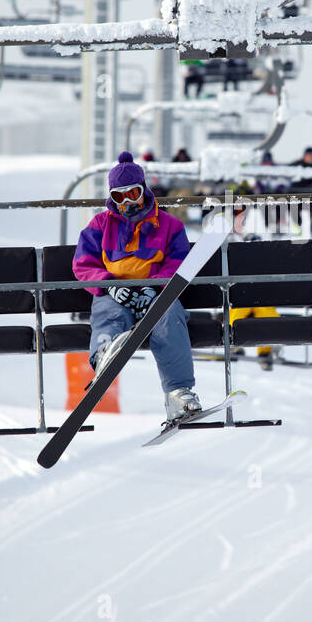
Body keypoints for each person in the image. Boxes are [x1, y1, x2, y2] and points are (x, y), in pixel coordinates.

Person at [71, 151, 202, 422]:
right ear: (112, 197)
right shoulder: (100, 225)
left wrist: (155, 288)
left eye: (133, 193)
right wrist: (108, 286)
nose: (127, 202)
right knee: (108, 313)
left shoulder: (169, 226)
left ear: (144, 190)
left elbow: (177, 262)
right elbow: (83, 264)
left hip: (154, 295)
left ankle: (178, 392)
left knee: (169, 316)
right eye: (119, 196)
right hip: (115, 293)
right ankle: (106, 351)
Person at [290, 145, 312, 238]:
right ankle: (297, 228)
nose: (311, 157)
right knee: (293, 208)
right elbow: (287, 175)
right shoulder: (296, 165)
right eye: (309, 155)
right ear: (305, 156)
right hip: (297, 196)